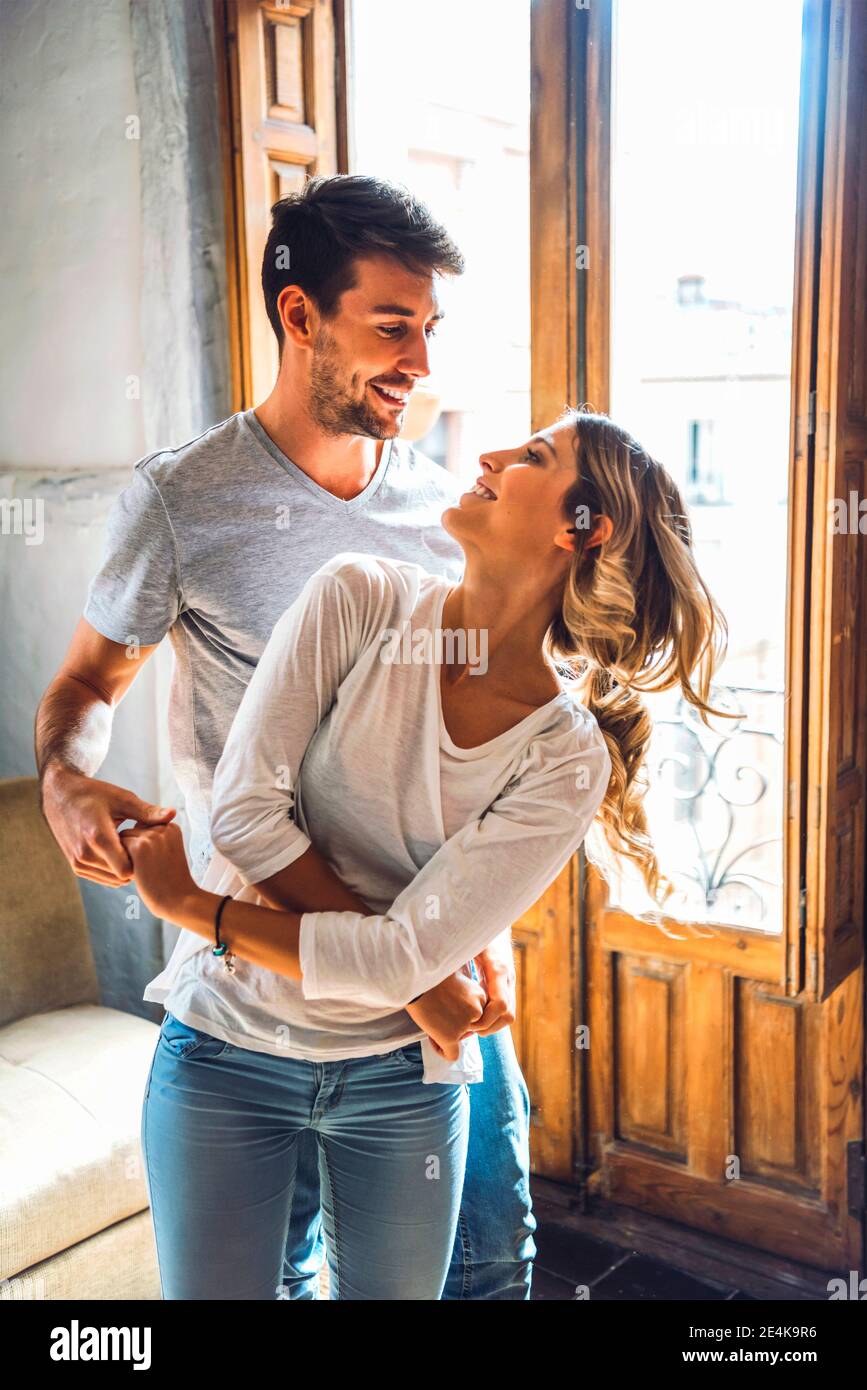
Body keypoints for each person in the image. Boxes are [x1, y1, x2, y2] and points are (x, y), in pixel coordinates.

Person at [34, 174, 539, 1300]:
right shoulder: (182, 501)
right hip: (256, 968)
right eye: (393, 326)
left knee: (494, 1259)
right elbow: (83, 681)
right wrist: (65, 777)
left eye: (431, 330)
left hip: (424, 964)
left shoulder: (444, 518)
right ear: (300, 313)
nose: (420, 362)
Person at [120, 406, 729, 1299]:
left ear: (581, 528)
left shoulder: (564, 758)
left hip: (403, 1078)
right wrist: (407, 971)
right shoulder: (357, 595)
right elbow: (247, 816)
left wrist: (195, 909)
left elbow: (406, 952)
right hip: (227, 1044)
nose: (484, 455)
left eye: (531, 456)